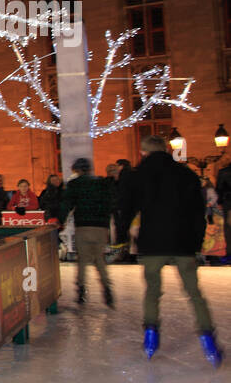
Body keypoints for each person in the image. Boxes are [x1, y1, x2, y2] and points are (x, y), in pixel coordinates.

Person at [117, 136, 221, 366]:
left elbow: (126, 208)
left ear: (144, 152)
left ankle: (151, 334)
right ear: (166, 150)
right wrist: (197, 241)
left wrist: (123, 237)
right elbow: (198, 212)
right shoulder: (186, 175)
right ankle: (207, 337)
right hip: (183, 242)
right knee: (194, 293)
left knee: (153, 290)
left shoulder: (137, 176)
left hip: (153, 241)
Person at [58, 157, 115, 308]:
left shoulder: (75, 184)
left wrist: (60, 221)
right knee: (99, 259)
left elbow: (67, 204)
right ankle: (107, 289)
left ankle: (81, 291)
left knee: (82, 260)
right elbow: (110, 203)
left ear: (77, 170)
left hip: (83, 226)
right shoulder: (101, 183)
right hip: (100, 227)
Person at [216, 161, 231, 264]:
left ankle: (229, 254)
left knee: (229, 229)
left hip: (228, 202)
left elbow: (219, 188)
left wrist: (220, 201)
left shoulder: (224, 172)